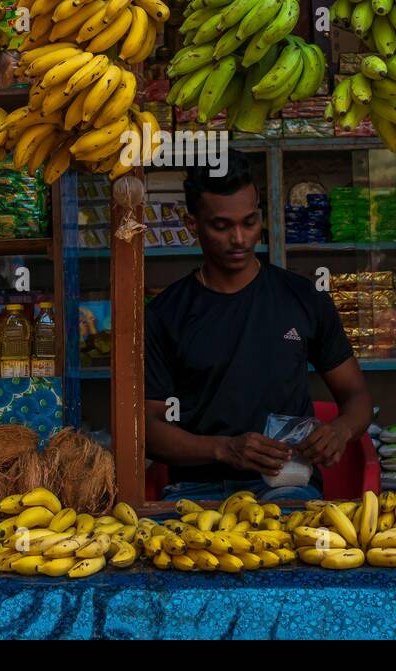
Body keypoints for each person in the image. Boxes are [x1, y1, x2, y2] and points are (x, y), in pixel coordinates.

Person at [144, 151, 373, 502]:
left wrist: (340, 431)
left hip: (287, 483)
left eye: (249, 222)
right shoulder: (165, 314)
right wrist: (224, 449)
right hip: (195, 490)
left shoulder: (303, 298)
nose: (239, 238)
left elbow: (356, 397)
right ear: (193, 226)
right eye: (222, 226)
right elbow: (147, 428)